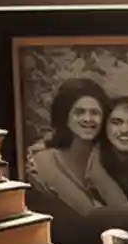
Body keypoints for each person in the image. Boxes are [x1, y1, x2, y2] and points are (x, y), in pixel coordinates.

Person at [24, 77, 110, 217]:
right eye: (79, 112)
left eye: (94, 113)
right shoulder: (43, 161)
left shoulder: (109, 157)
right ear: (65, 116)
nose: (87, 119)